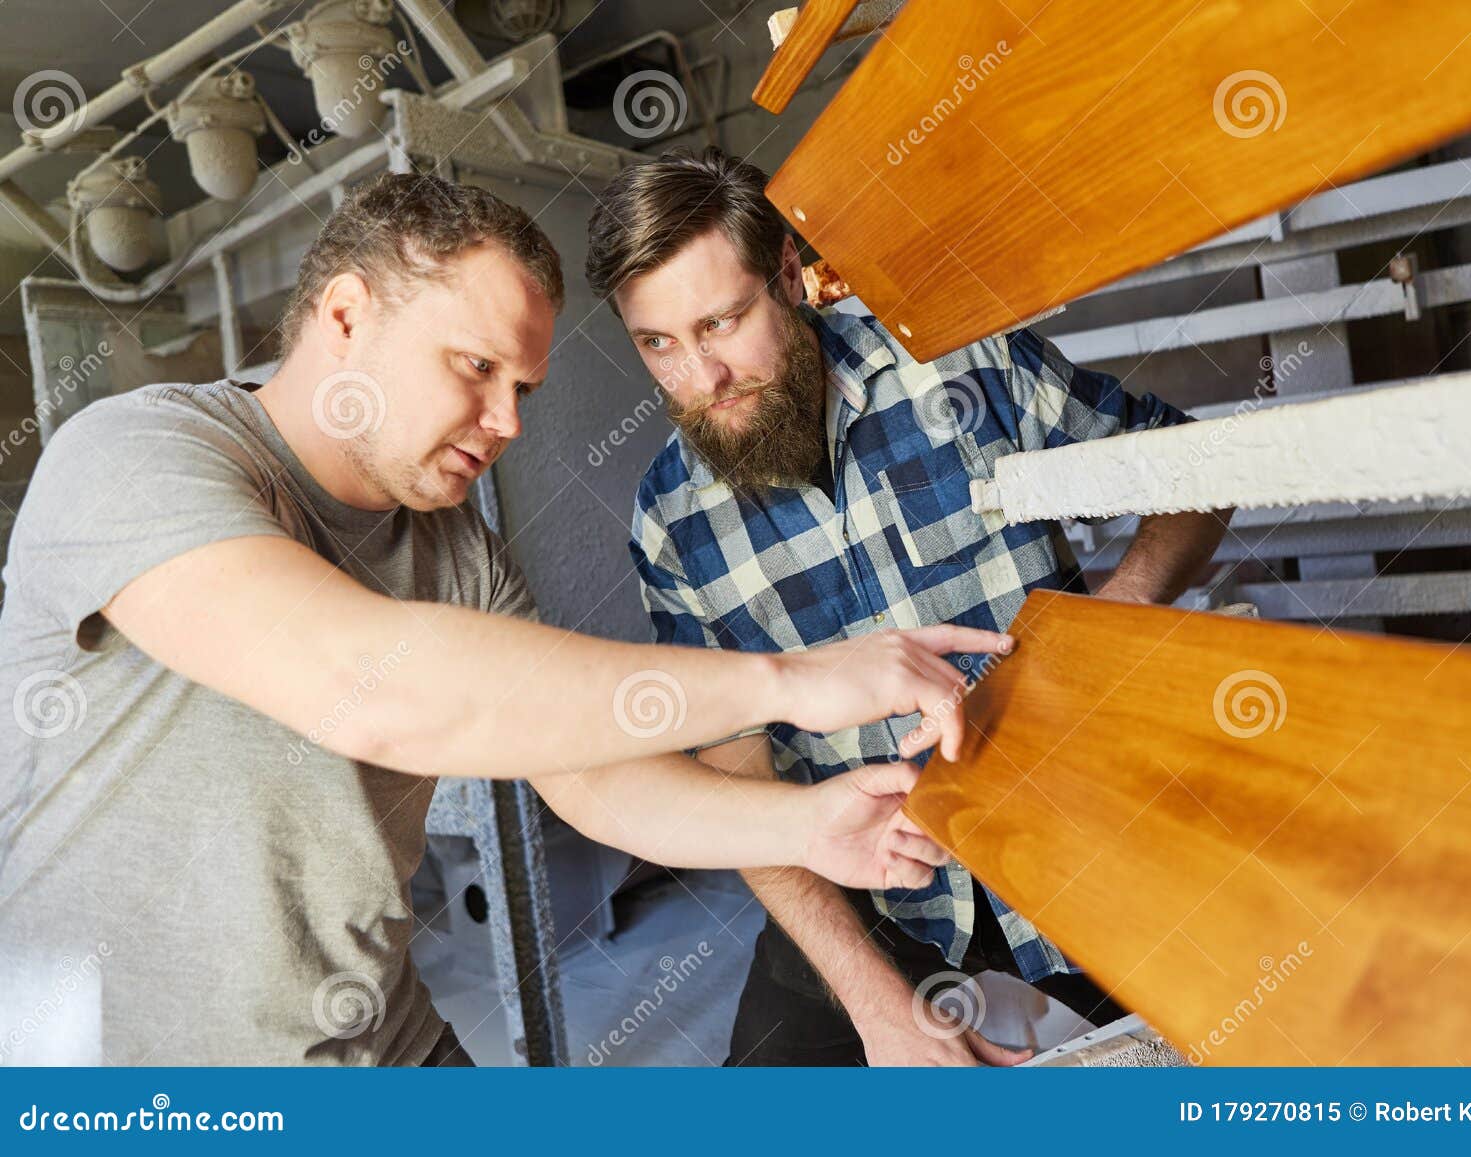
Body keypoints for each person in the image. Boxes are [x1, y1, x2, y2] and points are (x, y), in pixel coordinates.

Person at [0, 173, 1011, 1066]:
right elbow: (372, 685)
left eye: (522, 385)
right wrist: (791, 680)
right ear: (346, 316)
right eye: (476, 368)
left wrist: (804, 822)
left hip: (381, 1048)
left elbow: (594, 773)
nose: (510, 421)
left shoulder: (454, 550)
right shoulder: (137, 455)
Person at [585, 147, 1233, 1066]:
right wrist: (874, 1003)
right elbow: (738, 782)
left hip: (1081, 830)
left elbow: (1190, 471)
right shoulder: (668, 522)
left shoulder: (965, 364)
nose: (702, 378)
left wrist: (1111, 623)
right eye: (658, 345)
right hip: (870, 889)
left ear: (789, 278)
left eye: (722, 323)